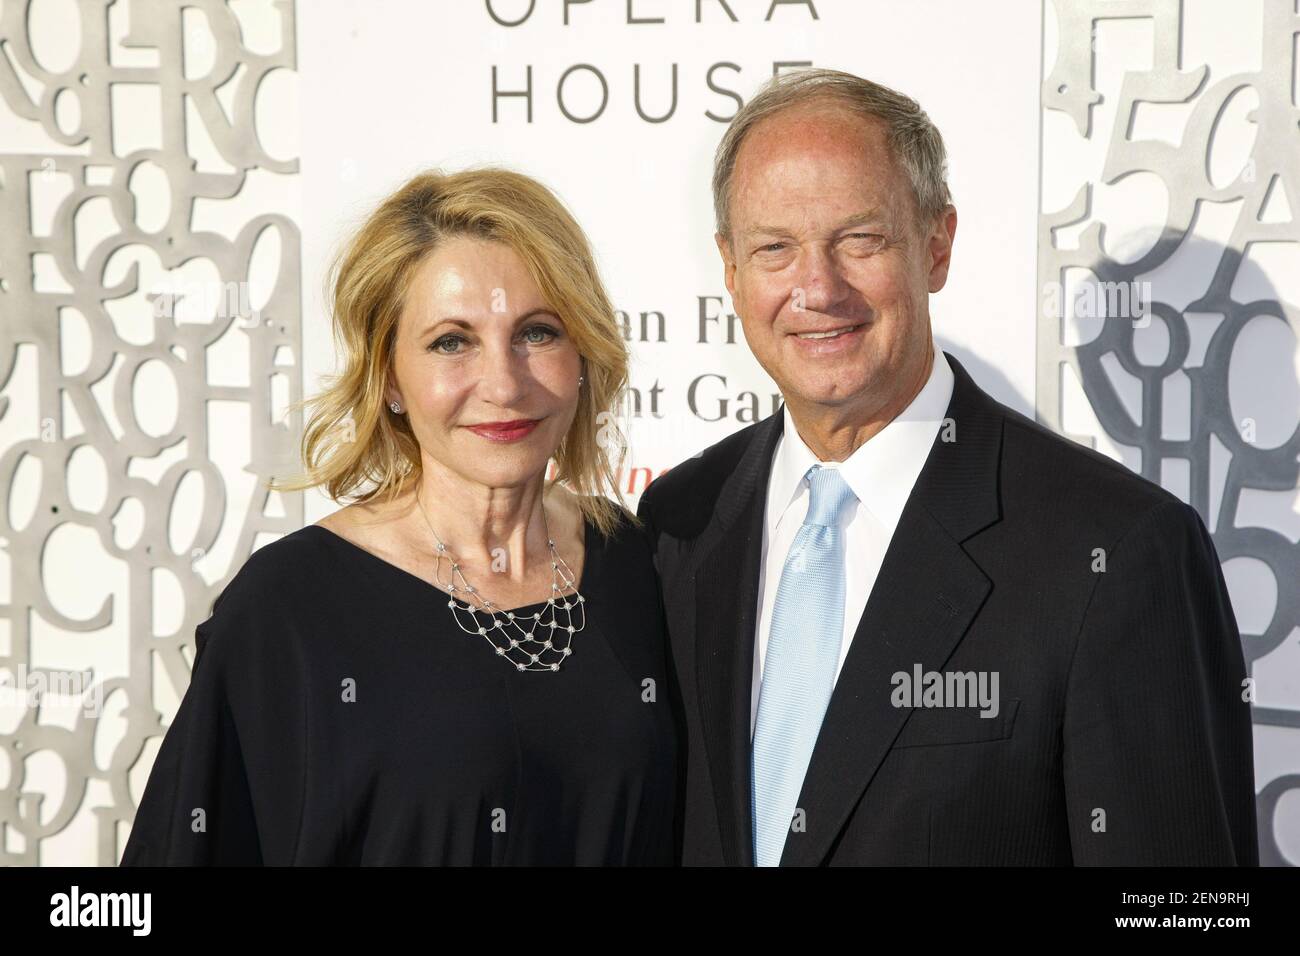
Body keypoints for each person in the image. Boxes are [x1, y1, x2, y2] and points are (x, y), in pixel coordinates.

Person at [637, 68, 1258, 866]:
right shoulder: (677, 525)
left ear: (937, 244)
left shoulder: (1118, 552)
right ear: (730, 269)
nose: (816, 287)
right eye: (774, 249)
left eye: (860, 239)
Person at [121, 167, 677, 865]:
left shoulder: (640, 563)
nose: (504, 384)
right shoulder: (289, 609)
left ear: (584, 355)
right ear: (387, 375)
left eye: (537, 332)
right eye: (452, 341)